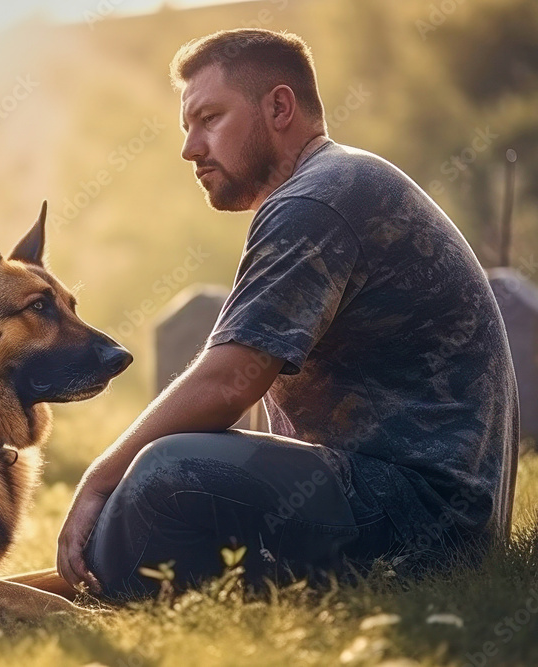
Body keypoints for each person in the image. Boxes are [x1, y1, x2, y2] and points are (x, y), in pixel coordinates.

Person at [56, 28, 520, 599]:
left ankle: (55, 604)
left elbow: (231, 380)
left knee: (165, 473)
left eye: (210, 118)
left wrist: (98, 478)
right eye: (187, 127)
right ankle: (7, 601)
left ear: (279, 106)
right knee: (171, 476)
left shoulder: (315, 200)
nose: (190, 148)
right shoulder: (331, 185)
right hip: (416, 511)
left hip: (421, 518)